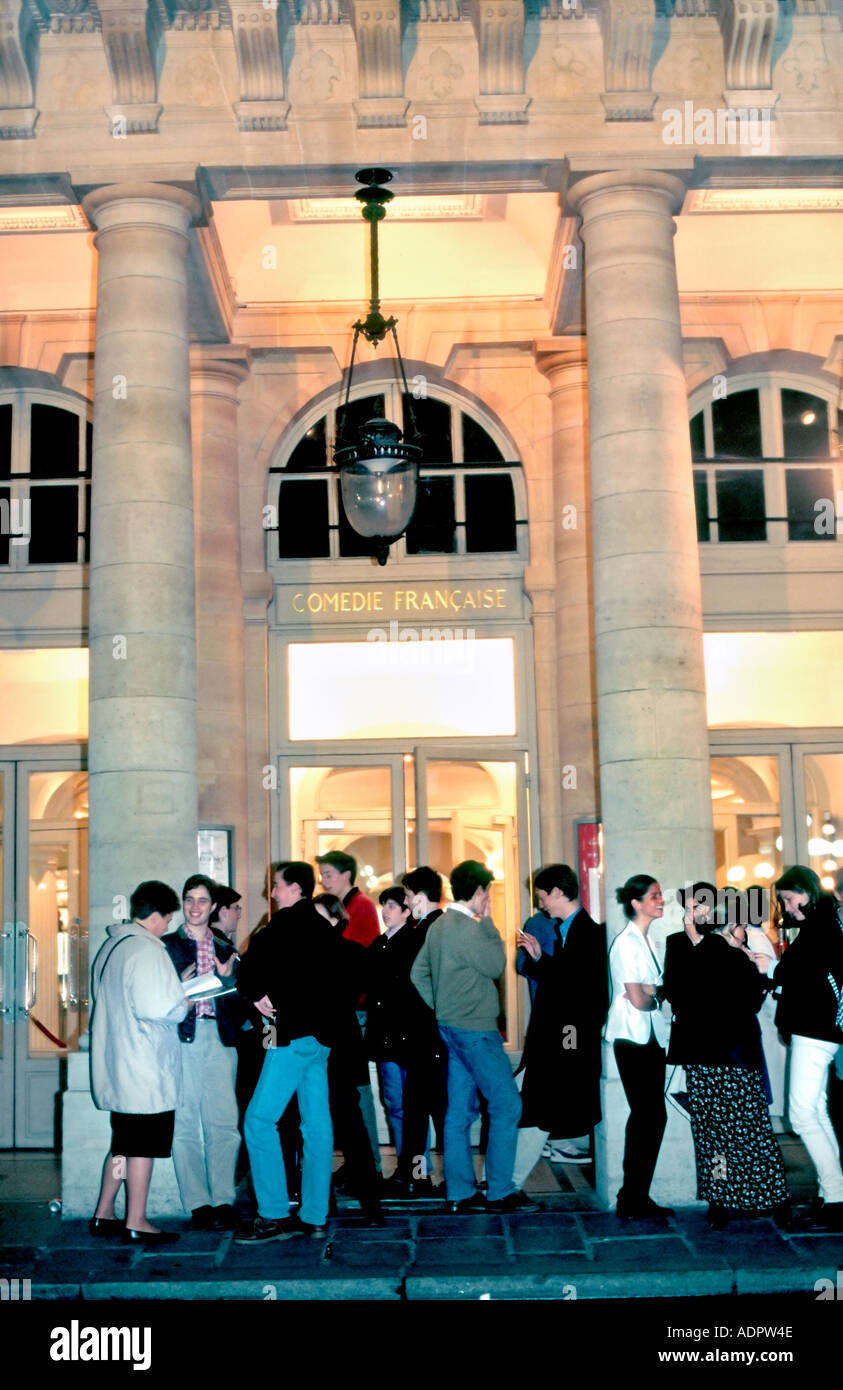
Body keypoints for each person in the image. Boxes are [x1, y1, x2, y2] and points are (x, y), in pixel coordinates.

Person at [410, 859, 527, 1214]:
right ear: (478, 892)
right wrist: (490, 921)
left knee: (458, 1112)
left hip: (449, 1028)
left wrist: (441, 1006)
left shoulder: (439, 925)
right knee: (507, 1105)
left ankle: (459, 1193)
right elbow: (495, 966)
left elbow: (418, 973)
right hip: (476, 1030)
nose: (488, 898)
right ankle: (500, 1191)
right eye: (487, 892)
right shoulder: (470, 928)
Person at [235, 861, 343, 1244]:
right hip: (321, 1041)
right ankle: (315, 1215)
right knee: (316, 1125)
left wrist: (257, 995)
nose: (272, 892)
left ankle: (274, 1214)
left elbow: (247, 971)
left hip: (290, 1036)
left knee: (259, 1121)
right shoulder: (323, 927)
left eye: (277, 885)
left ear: (295, 888)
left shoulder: (280, 925)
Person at [669, 908, 790, 1230]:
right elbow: (750, 1003)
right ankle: (769, 1198)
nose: (744, 936)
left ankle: (719, 1201)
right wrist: (762, 975)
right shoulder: (738, 961)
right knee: (752, 1133)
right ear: (731, 929)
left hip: (702, 1062)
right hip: (736, 1060)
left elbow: (678, 1000)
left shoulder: (691, 957)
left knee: (713, 1136)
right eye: (741, 930)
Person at [89, 880, 188, 1246]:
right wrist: (183, 1002)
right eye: (168, 917)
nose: (167, 925)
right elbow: (157, 1007)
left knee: (122, 1143)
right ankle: (138, 1219)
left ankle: (104, 1212)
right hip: (144, 1065)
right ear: (159, 914)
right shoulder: (147, 950)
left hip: (118, 1063)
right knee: (142, 1146)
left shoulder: (112, 945)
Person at [513, 864, 608, 1187]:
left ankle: (504, 1183)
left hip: (563, 1040)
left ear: (556, 892)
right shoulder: (569, 930)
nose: (541, 904)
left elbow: (578, 994)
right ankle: (504, 1182)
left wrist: (567, 1045)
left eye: (542, 896)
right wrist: (540, 958)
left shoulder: (584, 932)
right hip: (560, 1040)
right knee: (531, 1108)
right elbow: (567, 983)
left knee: (534, 1109)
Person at [163, 874, 240, 1231]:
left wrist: (229, 982)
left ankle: (223, 1198)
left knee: (224, 1122)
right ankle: (198, 1203)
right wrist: (179, 989)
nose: (195, 907)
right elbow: (157, 997)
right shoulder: (166, 946)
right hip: (184, 1039)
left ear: (213, 908)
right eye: (189, 899)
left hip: (220, 1039)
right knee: (185, 1123)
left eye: (202, 901)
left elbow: (242, 1004)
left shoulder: (226, 945)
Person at [773, 865, 843, 1231]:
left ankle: (835, 1199)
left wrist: (771, 967)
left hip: (815, 1030)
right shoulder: (825, 924)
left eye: (788, 898)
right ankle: (833, 1194)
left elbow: (791, 973)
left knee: (801, 1116)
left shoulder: (819, 927)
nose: (786, 907)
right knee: (815, 1111)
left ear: (805, 892)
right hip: (821, 1030)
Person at [605, 874, 673, 1222]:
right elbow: (637, 998)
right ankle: (631, 1197)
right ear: (636, 903)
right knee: (649, 1115)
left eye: (660, 895)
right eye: (654, 896)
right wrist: (656, 994)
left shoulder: (649, 942)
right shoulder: (627, 943)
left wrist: (653, 993)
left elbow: (651, 993)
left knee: (650, 1116)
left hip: (648, 1036)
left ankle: (635, 1195)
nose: (661, 901)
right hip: (633, 1038)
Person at [314, 892, 384, 1225]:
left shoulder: (315, 955)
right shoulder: (354, 953)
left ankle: (333, 1204)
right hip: (337, 1046)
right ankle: (368, 1204)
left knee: (331, 1127)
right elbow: (368, 992)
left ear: (335, 918)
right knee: (342, 1127)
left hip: (329, 1049)